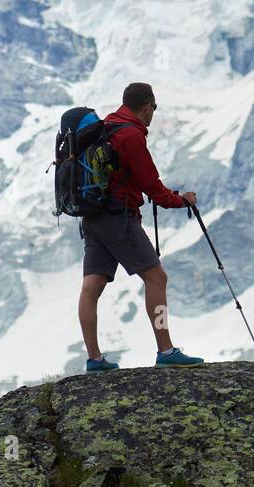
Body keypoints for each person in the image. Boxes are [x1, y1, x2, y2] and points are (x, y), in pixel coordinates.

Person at [77, 82, 204, 370]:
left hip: (92, 216)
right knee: (156, 278)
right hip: (118, 217)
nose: (153, 114)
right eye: (154, 108)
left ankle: (94, 358)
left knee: (92, 285)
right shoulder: (131, 135)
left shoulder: (107, 126)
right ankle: (166, 350)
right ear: (147, 106)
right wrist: (182, 201)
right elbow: (151, 186)